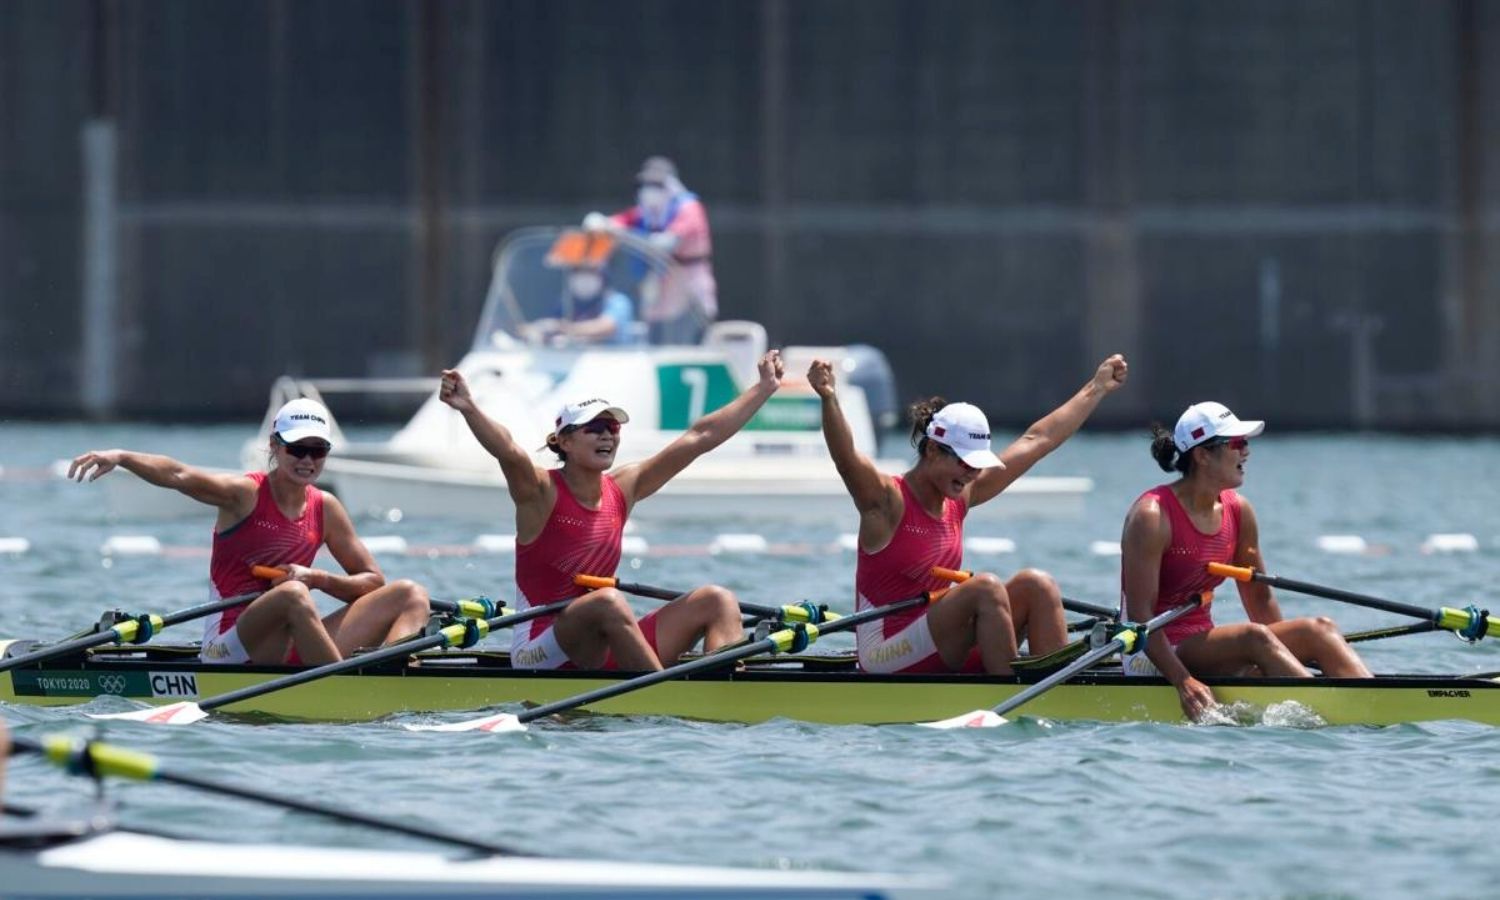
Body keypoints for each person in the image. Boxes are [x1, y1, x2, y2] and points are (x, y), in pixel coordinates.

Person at [439, 350, 785, 671]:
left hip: (606, 643)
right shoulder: (539, 491)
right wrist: (469, 407)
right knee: (609, 601)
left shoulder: (624, 487)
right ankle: (665, 698)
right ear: (564, 441)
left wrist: (764, 389)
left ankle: (721, 698)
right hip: (540, 649)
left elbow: (700, 436)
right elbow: (509, 451)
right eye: (595, 428)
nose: (608, 436)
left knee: (717, 600)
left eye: (613, 428)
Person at [810, 355, 1130, 675]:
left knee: (1038, 585)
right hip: (884, 652)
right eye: (964, 462)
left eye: (978, 465)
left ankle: (1060, 696)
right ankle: (1011, 697)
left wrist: (1097, 387)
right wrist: (829, 397)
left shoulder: (960, 496)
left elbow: (1038, 440)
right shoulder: (886, 501)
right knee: (985, 588)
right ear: (933, 450)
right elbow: (847, 460)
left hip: (938, 642)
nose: (972, 474)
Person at [66, 398, 432, 666]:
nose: (307, 460)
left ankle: (389, 674)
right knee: (292, 594)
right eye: (297, 448)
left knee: (410, 595)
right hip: (229, 645)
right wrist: (122, 457)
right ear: (274, 446)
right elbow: (179, 475)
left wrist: (317, 578)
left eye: (317, 450)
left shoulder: (326, 508)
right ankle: (345, 688)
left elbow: (372, 582)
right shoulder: (245, 495)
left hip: (296, 636)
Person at [1119, 401, 1372, 720]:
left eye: (1246, 442)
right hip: (1150, 650)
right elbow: (1141, 615)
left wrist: (1276, 659)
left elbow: (1259, 598)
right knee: (1253, 637)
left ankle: (1376, 705)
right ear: (1202, 455)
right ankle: (1336, 716)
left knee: (1320, 629)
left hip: (1201, 641)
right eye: (1236, 443)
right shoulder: (1152, 517)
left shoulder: (1239, 511)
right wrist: (1182, 680)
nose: (1246, 451)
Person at [584, 156, 716, 345]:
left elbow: (664, 244)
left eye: (656, 184)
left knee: (686, 341)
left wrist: (622, 233)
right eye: (646, 184)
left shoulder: (689, 209)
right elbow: (619, 222)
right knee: (656, 339)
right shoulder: (647, 212)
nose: (650, 189)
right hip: (661, 287)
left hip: (689, 287)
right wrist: (601, 223)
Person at [528, 261, 639, 347]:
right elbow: (551, 327)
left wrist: (562, 327)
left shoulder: (618, 301)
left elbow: (606, 327)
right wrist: (540, 332)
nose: (584, 278)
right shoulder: (567, 303)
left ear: (603, 276)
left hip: (614, 365)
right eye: (578, 272)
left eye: (590, 272)